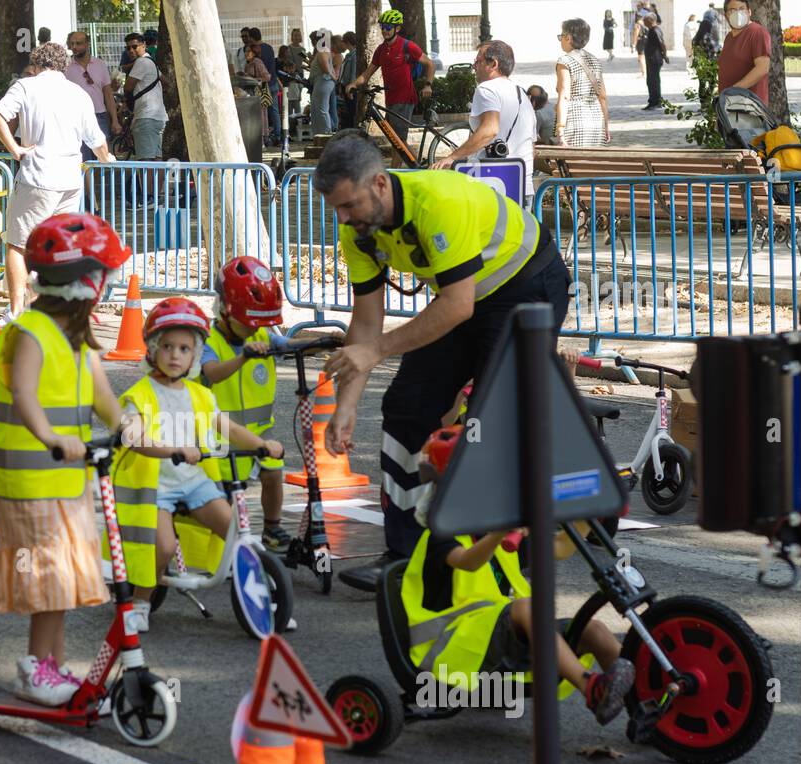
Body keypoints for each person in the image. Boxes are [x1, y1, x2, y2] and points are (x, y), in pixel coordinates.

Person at [313, 131, 571, 588]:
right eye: (336, 208)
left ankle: (511, 553)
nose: (343, 217)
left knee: (489, 419)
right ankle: (406, 556)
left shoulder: (437, 202)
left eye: (348, 205)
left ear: (378, 183)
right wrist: (347, 405)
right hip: (468, 297)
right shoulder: (361, 231)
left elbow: (455, 306)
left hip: (526, 285)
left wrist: (375, 351)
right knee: (407, 408)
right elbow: (367, 326)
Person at [0, 213, 134, 704]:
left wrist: (131, 428)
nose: (106, 287)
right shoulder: (29, 332)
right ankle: (34, 668)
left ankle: (50, 666)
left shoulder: (79, 341)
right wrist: (51, 435)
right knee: (49, 578)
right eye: (103, 277)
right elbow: (24, 394)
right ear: (84, 281)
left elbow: (105, 401)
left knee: (64, 579)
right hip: (30, 483)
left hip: (68, 481)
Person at [406, 426, 637, 724]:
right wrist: (499, 532)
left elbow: (560, 547)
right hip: (452, 649)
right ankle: (591, 688)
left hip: (497, 639)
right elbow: (468, 562)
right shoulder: (440, 535)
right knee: (525, 607)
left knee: (594, 630)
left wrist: (589, 515)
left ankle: (647, 703)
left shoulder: (495, 532)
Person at [117, 298, 285, 633]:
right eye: (166, 346)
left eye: (184, 348)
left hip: (193, 480)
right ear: (151, 349)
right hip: (154, 485)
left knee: (237, 533)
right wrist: (171, 449)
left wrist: (262, 444)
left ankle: (264, 602)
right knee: (162, 545)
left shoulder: (200, 395)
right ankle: (139, 602)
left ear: (195, 355)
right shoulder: (140, 394)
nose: (175, 355)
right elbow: (132, 437)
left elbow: (229, 428)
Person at [0, 42, 116, 316]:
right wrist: (107, 160)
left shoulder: (25, 86)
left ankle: (16, 311)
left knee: (17, 244)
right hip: (70, 181)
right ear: (64, 65)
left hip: (37, 176)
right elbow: (96, 140)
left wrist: (15, 149)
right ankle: (51, 310)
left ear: (36, 65)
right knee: (58, 246)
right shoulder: (78, 93)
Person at [201, 256, 291, 554]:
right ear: (226, 311)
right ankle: (220, 544)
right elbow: (211, 372)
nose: (256, 331)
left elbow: (288, 346)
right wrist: (243, 358)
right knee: (223, 500)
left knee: (273, 473)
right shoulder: (208, 342)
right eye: (250, 324)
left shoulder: (262, 334)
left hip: (259, 435)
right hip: (219, 441)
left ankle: (272, 527)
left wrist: (327, 342)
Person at [430, 39, 537, 204]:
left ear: (493, 64)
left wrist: (452, 157)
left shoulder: (487, 89)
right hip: (523, 184)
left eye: (478, 61)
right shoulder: (521, 93)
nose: (474, 67)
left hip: (493, 184)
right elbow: (531, 142)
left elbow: (489, 130)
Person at [347, 9, 435, 146]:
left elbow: (430, 64)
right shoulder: (381, 50)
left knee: (398, 141)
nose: (385, 31)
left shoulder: (407, 46)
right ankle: (412, 165)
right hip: (390, 98)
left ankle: (396, 168)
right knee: (396, 140)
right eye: (383, 27)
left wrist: (428, 84)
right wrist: (353, 84)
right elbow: (367, 74)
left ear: (397, 28)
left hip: (404, 98)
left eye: (388, 27)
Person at [555, 19, 611, 147]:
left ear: (568, 38)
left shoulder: (564, 61)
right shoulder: (595, 60)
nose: (560, 40)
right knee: (593, 164)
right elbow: (602, 96)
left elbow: (564, 96)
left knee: (573, 164)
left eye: (561, 36)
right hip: (597, 121)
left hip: (575, 120)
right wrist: (606, 126)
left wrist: (560, 129)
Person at [66, 31, 122, 159]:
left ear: (87, 44)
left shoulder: (100, 64)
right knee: (82, 159)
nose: (74, 47)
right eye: (72, 43)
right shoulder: (66, 66)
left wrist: (115, 120)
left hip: (99, 116)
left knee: (101, 159)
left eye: (78, 43)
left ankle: (95, 180)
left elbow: (108, 94)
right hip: (75, 117)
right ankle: (85, 180)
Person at [718, 0, 771, 107]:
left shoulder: (757, 32)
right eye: (732, 10)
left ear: (749, 12)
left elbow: (762, 68)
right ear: (726, 15)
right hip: (729, 105)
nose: (738, 13)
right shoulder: (729, 37)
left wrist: (734, 90)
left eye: (742, 9)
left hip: (749, 108)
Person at [124, 32, 167, 165]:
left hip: (145, 117)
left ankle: (149, 187)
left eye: (134, 46)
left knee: (145, 161)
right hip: (159, 117)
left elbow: (128, 87)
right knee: (157, 160)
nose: (131, 50)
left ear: (144, 45)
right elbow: (165, 81)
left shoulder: (141, 62)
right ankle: (157, 187)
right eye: (128, 48)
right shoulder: (151, 62)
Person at [247, 27, 282, 146]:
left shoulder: (255, 52)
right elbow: (273, 66)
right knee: (275, 111)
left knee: (263, 113)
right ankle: (278, 136)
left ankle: (264, 137)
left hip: (262, 86)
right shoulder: (270, 48)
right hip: (273, 83)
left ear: (251, 37)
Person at [308, 30, 339, 135]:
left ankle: (326, 132)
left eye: (313, 41)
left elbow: (326, 68)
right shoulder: (324, 51)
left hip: (323, 81)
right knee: (317, 108)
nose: (312, 43)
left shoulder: (322, 51)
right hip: (321, 82)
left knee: (321, 109)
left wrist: (333, 78)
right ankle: (319, 133)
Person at [693, 9, 723, 105]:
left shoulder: (696, 37)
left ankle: (703, 103)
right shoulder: (708, 37)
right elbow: (715, 50)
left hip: (701, 64)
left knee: (702, 83)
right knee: (712, 82)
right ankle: (708, 101)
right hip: (711, 63)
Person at [642, 14, 668, 111]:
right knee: (650, 81)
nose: (644, 23)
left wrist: (665, 55)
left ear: (650, 20)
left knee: (654, 81)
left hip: (655, 59)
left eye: (645, 20)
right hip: (650, 59)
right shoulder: (651, 30)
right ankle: (652, 101)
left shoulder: (655, 30)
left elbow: (662, 44)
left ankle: (656, 101)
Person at [337, 31, 360, 129]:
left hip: (349, 87)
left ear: (348, 42)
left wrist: (351, 87)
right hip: (344, 86)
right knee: (347, 110)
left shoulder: (354, 55)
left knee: (351, 110)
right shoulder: (349, 55)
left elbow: (353, 73)